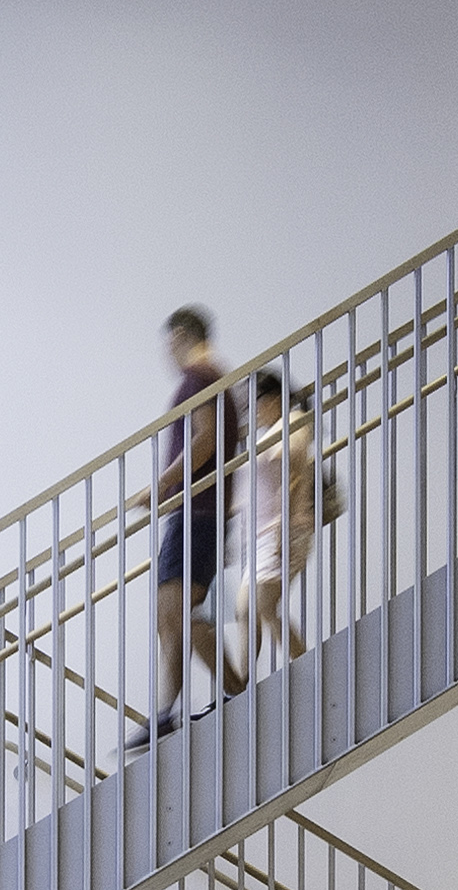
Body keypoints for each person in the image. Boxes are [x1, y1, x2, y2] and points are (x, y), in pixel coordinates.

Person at [131, 304, 235, 735]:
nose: (167, 354)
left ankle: (177, 709)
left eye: (168, 343)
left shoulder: (200, 377)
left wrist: (162, 485)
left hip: (196, 508)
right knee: (178, 616)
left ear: (179, 336)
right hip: (201, 509)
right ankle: (175, 710)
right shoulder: (218, 378)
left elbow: (205, 439)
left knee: (173, 613)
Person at [215, 366, 321, 682]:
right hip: (261, 535)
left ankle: (306, 668)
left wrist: (282, 529)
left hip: (284, 529)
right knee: (246, 610)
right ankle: (243, 683)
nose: (251, 413)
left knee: (263, 606)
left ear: (272, 399)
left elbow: (294, 476)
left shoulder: (292, 425)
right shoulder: (268, 433)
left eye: (253, 404)